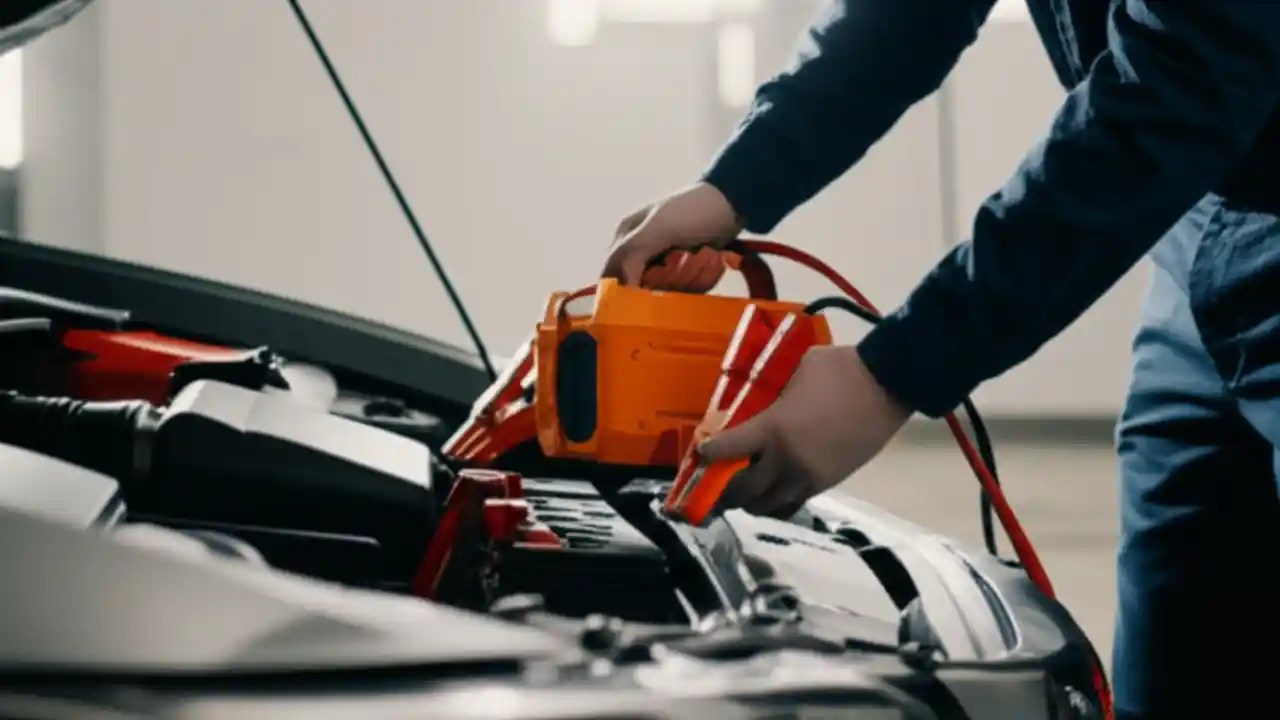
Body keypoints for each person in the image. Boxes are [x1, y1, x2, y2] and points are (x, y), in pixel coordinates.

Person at [602, 2, 1280, 718]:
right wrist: (737, 183)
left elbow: (1179, 85)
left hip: (1216, 147)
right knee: (1181, 653)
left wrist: (891, 372)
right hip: (1199, 240)